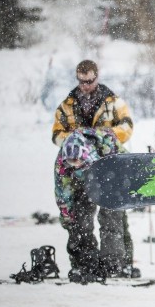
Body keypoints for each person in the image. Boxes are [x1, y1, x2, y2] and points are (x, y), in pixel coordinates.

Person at [51, 60, 137, 282]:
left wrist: (99, 136)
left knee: (113, 217)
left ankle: (117, 263)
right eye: (81, 81)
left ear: (97, 77)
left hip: (110, 164)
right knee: (80, 217)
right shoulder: (67, 105)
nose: (85, 85)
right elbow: (57, 134)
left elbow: (127, 127)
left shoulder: (113, 102)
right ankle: (85, 262)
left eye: (89, 81)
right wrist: (76, 140)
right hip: (78, 165)